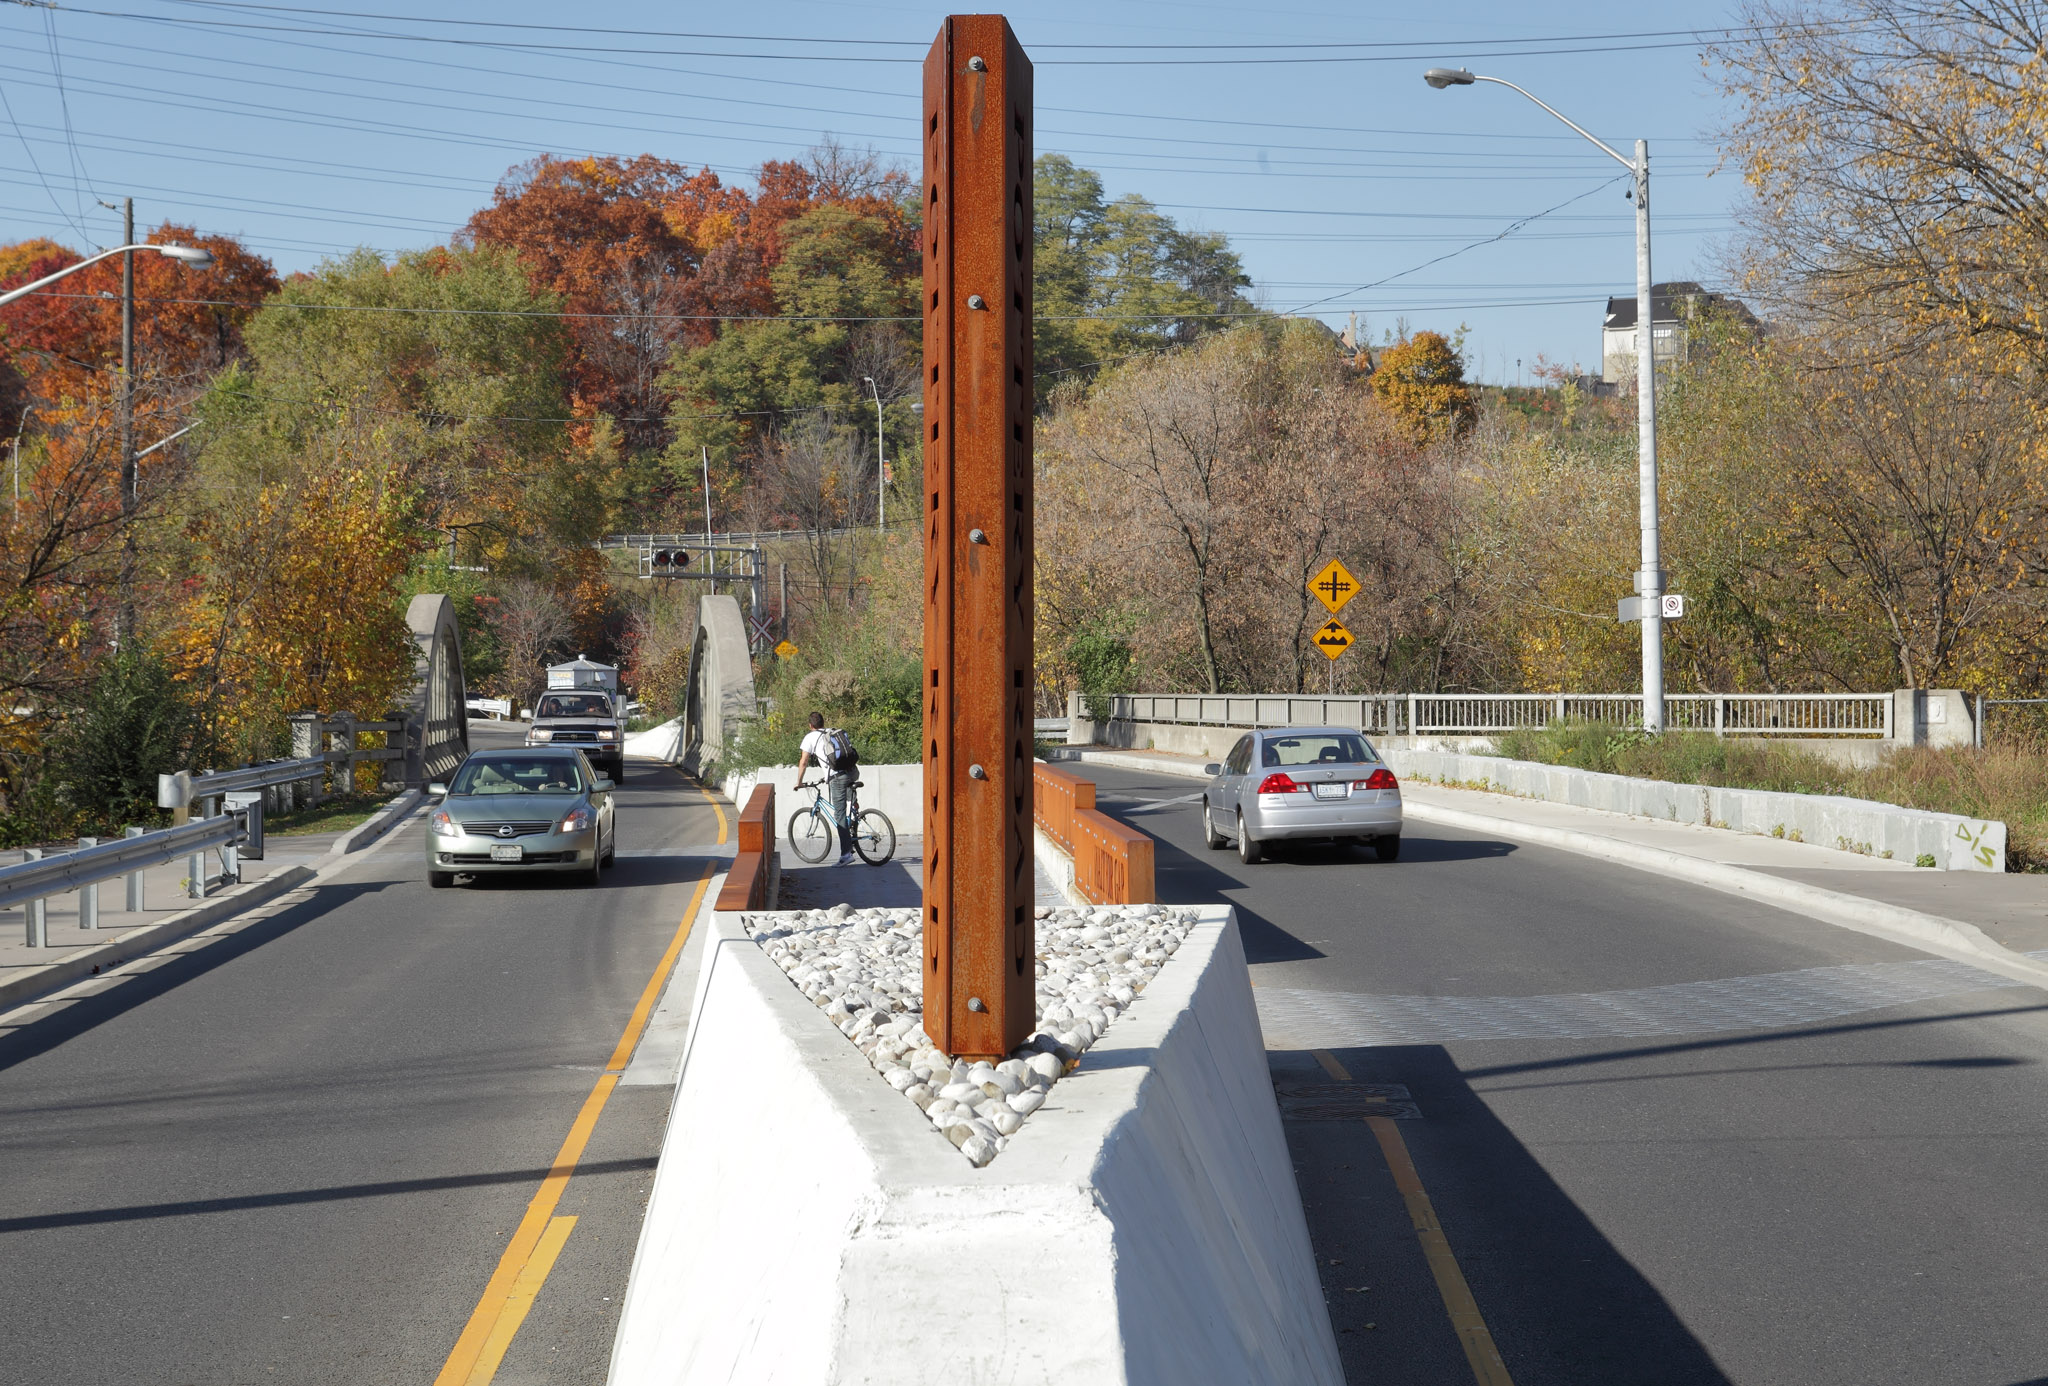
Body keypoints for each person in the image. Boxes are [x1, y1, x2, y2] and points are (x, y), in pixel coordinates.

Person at [796, 711, 856, 865]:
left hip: (838, 779)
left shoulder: (810, 737)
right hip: (852, 772)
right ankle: (856, 815)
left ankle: (846, 855)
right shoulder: (833, 732)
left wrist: (799, 782)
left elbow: (803, 761)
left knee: (839, 815)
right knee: (849, 807)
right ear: (823, 722)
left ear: (810, 725)